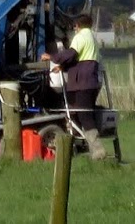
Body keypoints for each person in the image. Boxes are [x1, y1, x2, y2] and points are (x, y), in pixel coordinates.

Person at [42, 14, 109, 160]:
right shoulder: (92, 37)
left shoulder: (81, 37)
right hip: (90, 81)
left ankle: (98, 151)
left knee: (84, 116)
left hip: (82, 83)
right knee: (78, 114)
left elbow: (70, 54)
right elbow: (81, 59)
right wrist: (63, 67)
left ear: (77, 25)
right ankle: (84, 148)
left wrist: (52, 57)